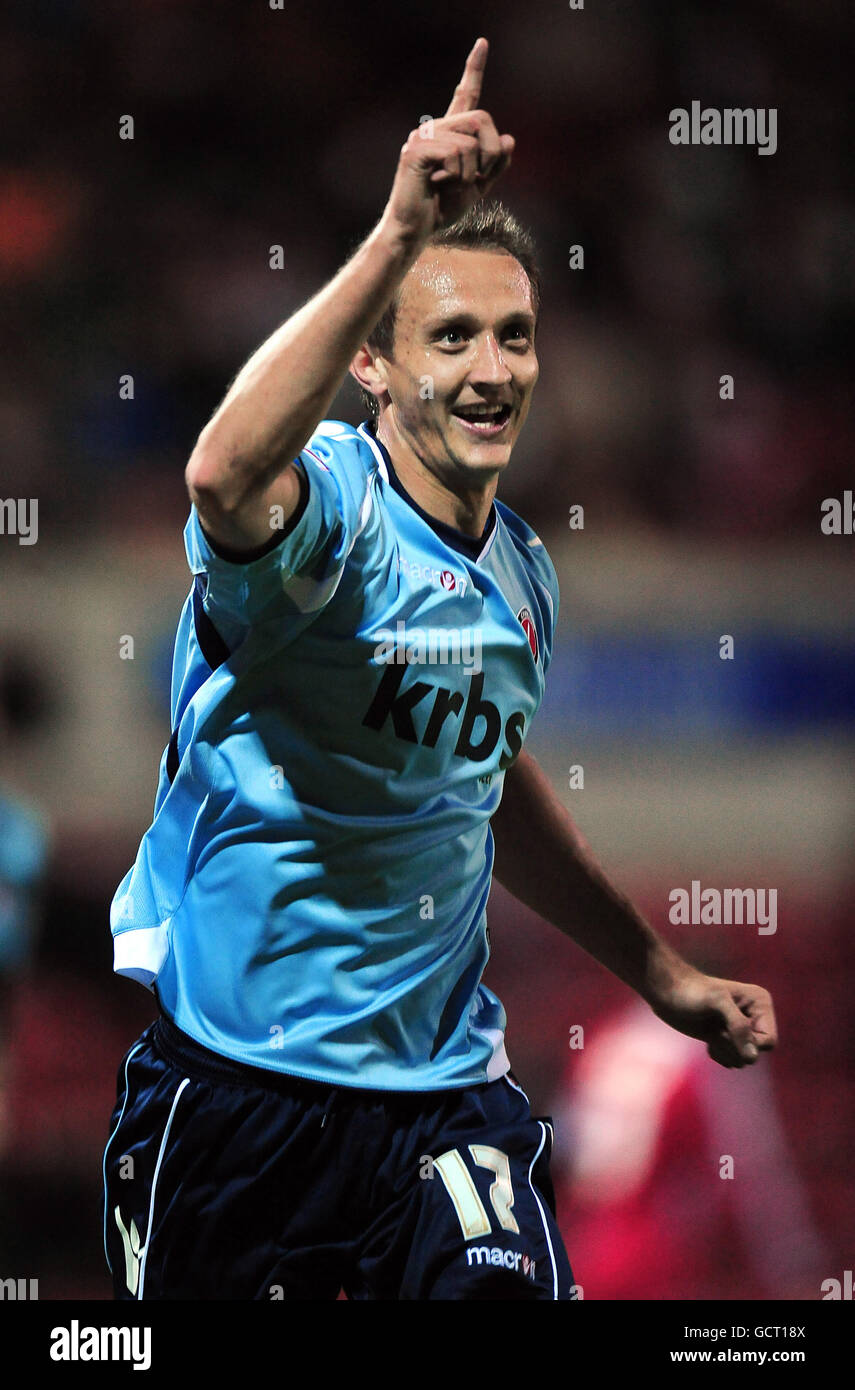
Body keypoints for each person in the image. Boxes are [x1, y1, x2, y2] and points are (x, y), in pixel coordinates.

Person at [103, 37, 777, 1301]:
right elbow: (219, 477)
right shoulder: (329, 524)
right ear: (373, 362)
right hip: (242, 1105)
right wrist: (397, 227)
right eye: (451, 334)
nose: (491, 369)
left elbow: (480, 781)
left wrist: (662, 973)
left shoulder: (523, 577)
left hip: (446, 1109)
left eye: (514, 336)